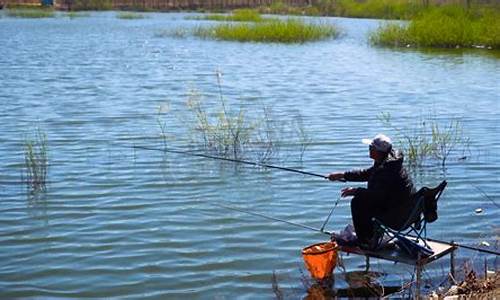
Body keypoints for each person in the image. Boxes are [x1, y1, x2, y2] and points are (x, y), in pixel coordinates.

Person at [327, 134, 415, 250]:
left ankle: (366, 241)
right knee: (363, 199)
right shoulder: (390, 163)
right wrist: (343, 175)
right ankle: (371, 236)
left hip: (396, 217)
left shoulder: (386, 169)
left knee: (358, 202)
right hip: (407, 212)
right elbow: (368, 174)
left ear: (378, 151)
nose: (369, 149)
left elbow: (378, 196)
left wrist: (356, 191)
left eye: (371, 147)